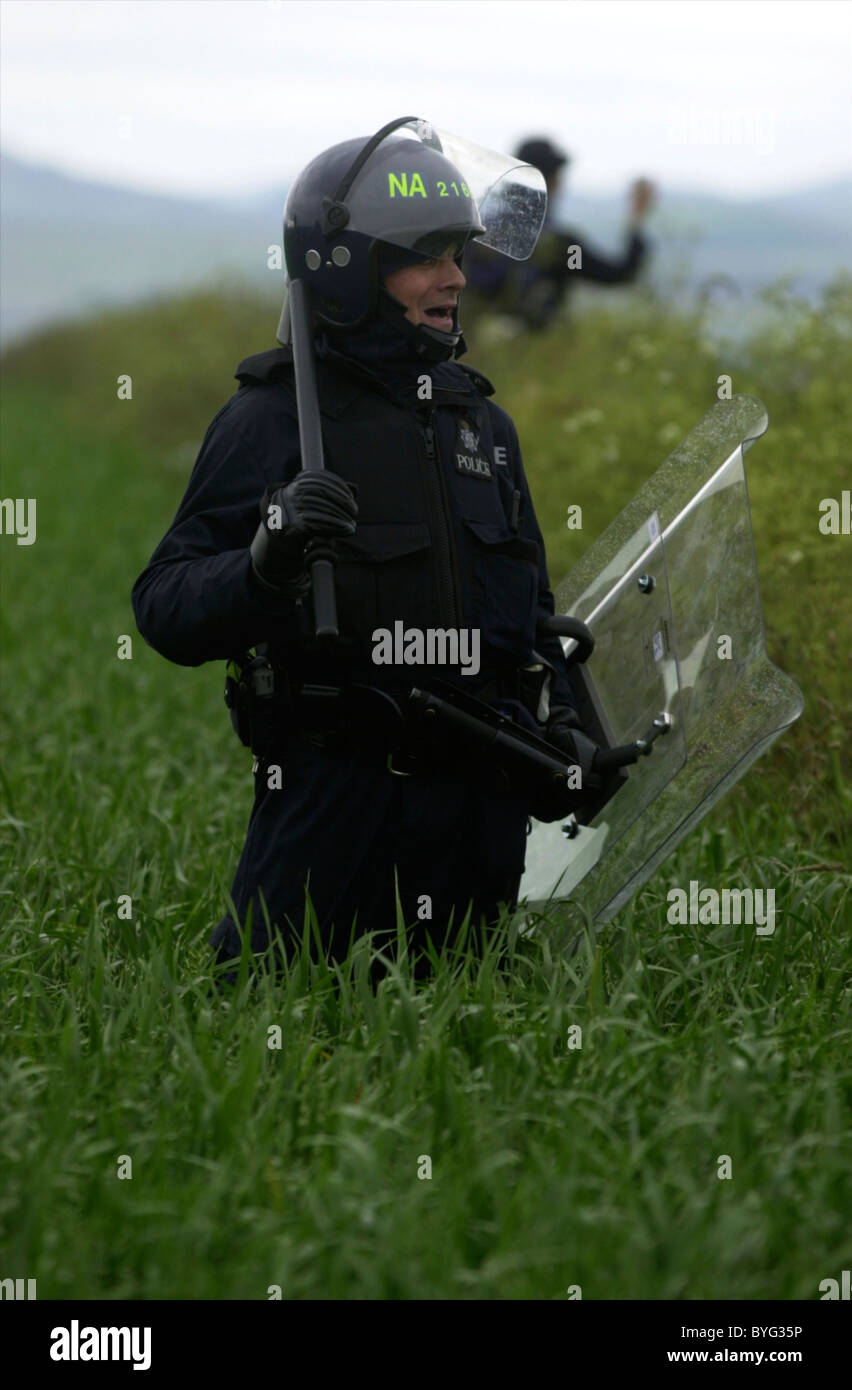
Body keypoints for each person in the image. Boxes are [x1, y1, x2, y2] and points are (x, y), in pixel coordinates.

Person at [131, 119, 602, 987]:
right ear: (348, 270)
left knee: (469, 1076)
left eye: (458, 252)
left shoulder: (480, 425)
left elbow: (528, 611)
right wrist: (264, 561)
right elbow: (163, 604)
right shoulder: (270, 419)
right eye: (426, 256)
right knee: (275, 1061)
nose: (457, 278)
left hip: (477, 830)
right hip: (334, 813)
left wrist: (567, 723)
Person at [463, 136, 656, 332]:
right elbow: (617, 273)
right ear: (552, 182)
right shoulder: (566, 247)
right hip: (536, 350)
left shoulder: (476, 231)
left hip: (474, 345)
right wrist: (636, 218)